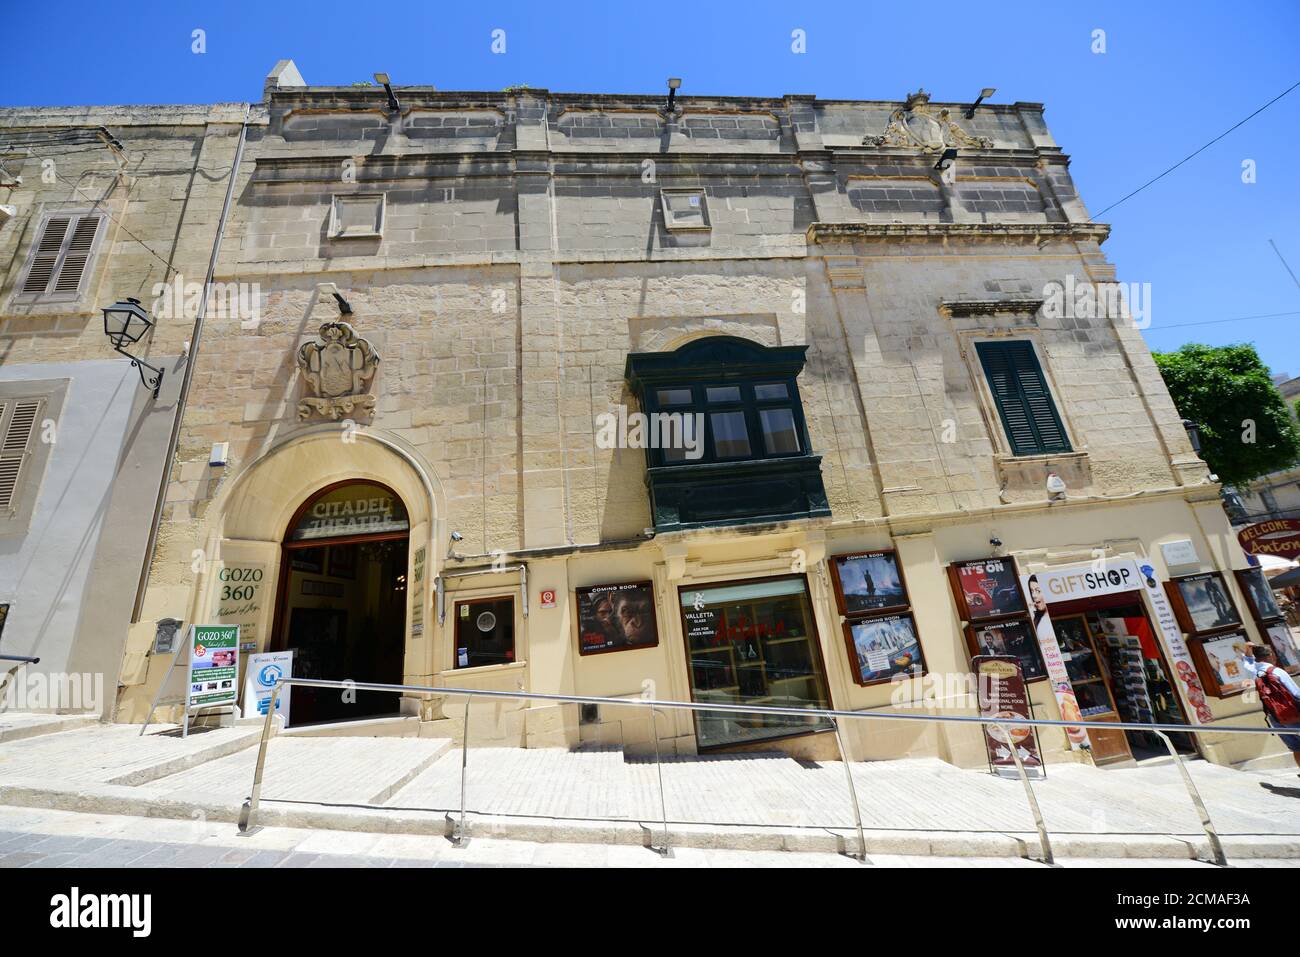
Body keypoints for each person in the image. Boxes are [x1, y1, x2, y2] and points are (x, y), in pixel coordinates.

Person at [1244, 642, 1300, 772]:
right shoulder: (1277, 671)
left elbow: (1247, 661)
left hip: (1274, 717)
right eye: (1273, 654)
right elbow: (1296, 693)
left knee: (1296, 747)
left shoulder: (1254, 671)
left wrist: (1247, 649)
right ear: (1269, 655)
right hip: (1293, 714)